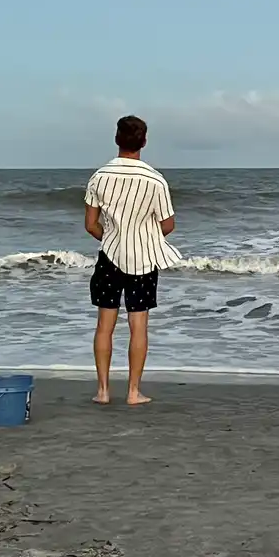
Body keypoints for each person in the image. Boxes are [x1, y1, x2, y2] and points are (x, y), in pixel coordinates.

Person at [83, 115, 182, 405]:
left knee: (104, 325)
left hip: (110, 256)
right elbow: (168, 225)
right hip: (143, 259)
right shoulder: (155, 180)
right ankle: (133, 392)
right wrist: (142, 236)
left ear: (117, 139)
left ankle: (102, 391)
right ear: (144, 142)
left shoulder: (99, 176)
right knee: (138, 325)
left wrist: (114, 237)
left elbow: (91, 224)